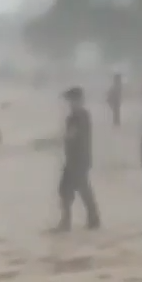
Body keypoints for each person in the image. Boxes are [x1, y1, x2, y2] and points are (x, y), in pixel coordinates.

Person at [57, 86, 100, 232]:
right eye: (69, 100)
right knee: (69, 190)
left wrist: (60, 139)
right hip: (75, 159)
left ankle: (70, 223)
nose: (69, 103)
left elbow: (73, 136)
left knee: (74, 190)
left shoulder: (80, 116)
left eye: (71, 100)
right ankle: (90, 220)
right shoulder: (77, 116)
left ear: (79, 100)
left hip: (78, 159)